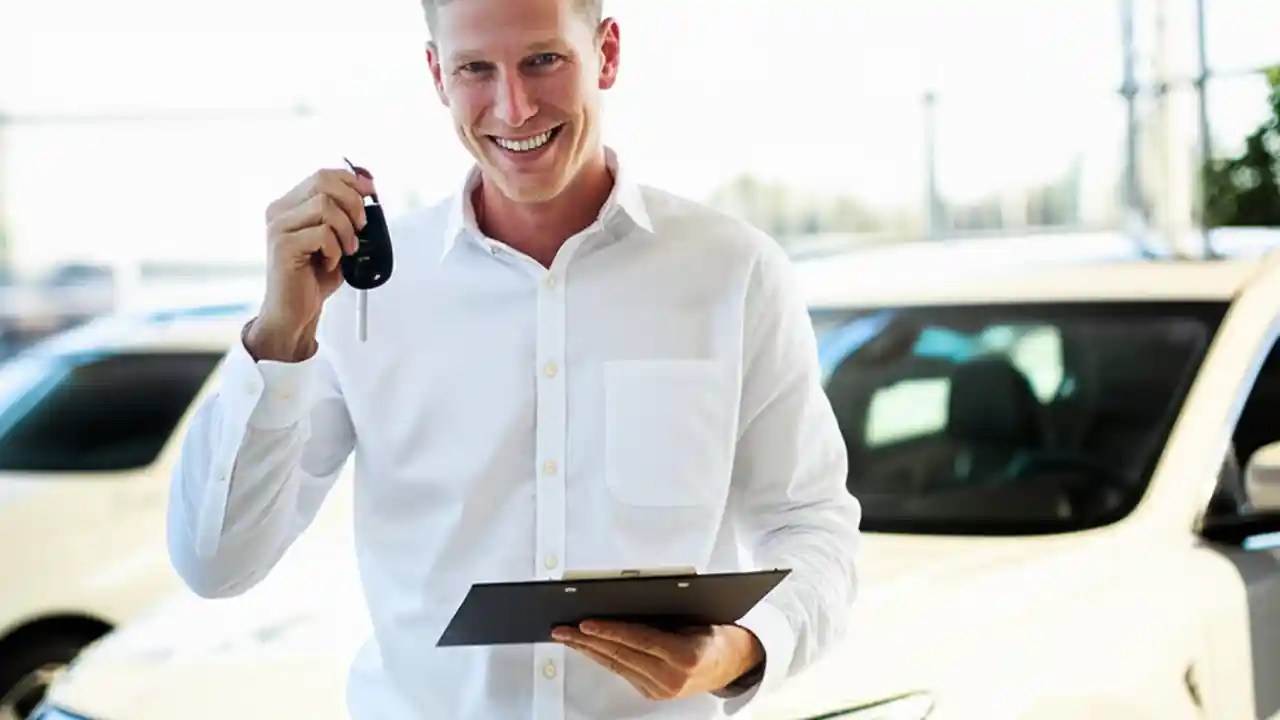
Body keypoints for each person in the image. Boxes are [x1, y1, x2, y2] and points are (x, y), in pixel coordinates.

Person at [165, 0, 862, 717]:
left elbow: (813, 526)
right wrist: (280, 332)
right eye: (475, 68)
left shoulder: (732, 272)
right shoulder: (356, 294)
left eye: (543, 60)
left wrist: (741, 649)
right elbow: (217, 565)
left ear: (608, 54)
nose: (515, 106)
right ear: (438, 74)